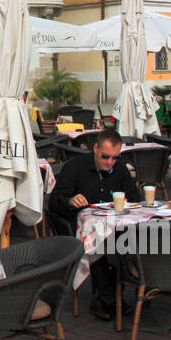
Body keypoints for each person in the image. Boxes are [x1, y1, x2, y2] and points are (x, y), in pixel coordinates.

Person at [46, 128, 133, 321]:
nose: (110, 162)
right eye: (105, 157)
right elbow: (54, 202)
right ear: (95, 148)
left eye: (115, 158)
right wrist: (71, 201)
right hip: (81, 228)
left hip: (116, 226)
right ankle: (107, 299)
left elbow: (135, 198)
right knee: (101, 243)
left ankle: (120, 295)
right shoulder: (75, 167)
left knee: (138, 239)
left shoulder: (120, 168)